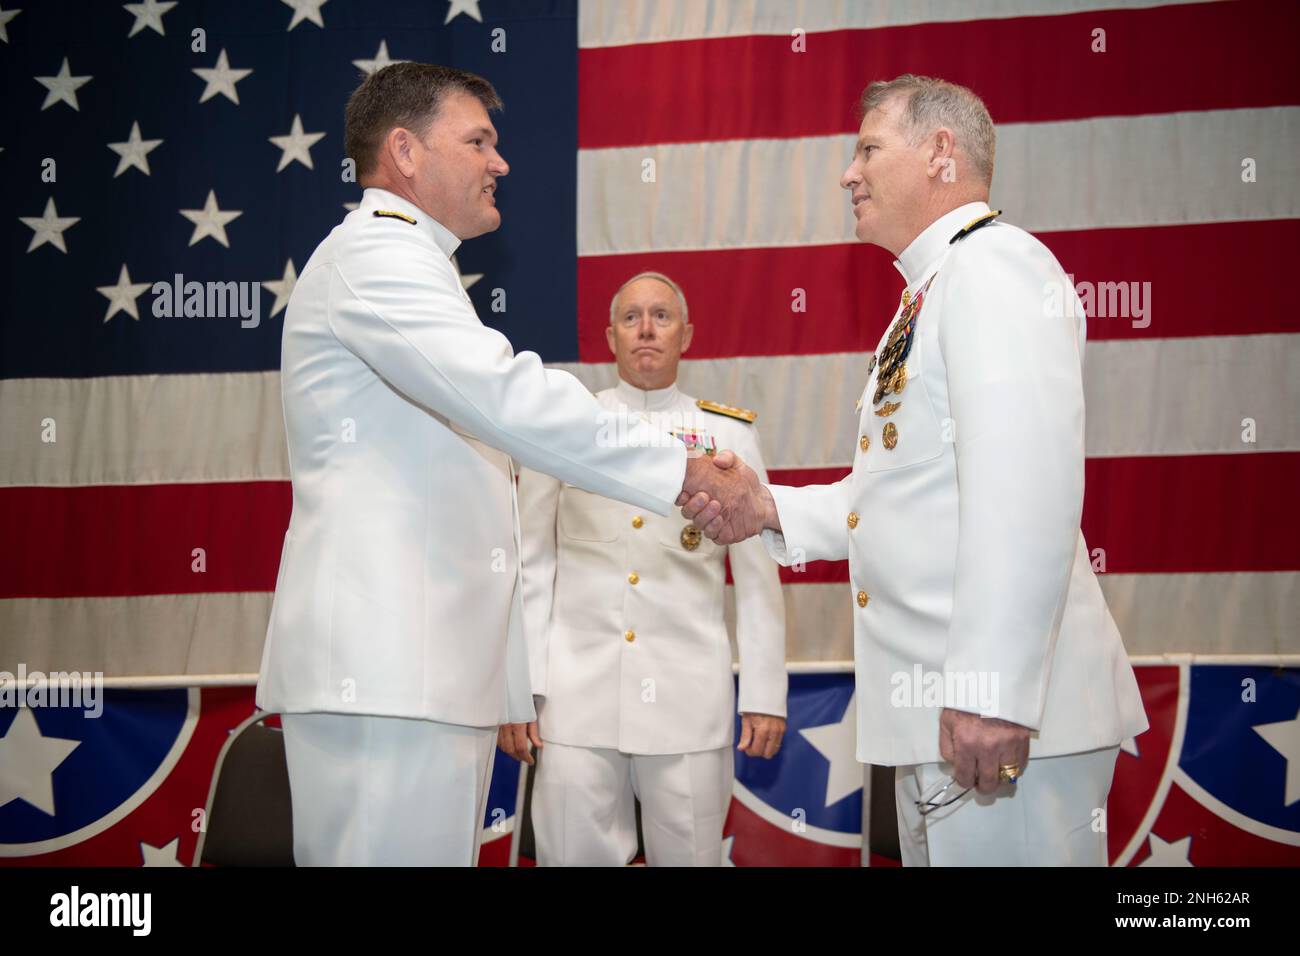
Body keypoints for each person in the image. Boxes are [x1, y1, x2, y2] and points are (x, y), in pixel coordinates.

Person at [255, 63, 747, 866]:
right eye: (478, 140)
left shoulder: (417, 263)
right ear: (406, 152)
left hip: (420, 671)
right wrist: (682, 472)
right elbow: (508, 398)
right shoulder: (377, 256)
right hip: (386, 673)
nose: (500, 161)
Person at [681, 74, 1148, 866]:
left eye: (868, 148)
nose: (847, 172)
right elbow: (902, 497)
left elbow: (1024, 491)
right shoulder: (930, 294)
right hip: (947, 718)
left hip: (1001, 723)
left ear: (941, 154)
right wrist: (769, 510)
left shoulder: (996, 270)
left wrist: (992, 691)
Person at [501, 272, 787, 866]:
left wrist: (765, 693)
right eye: (631, 318)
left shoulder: (727, 436)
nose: (647, 329)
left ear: (687, 334)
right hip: (576, 701)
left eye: (662, 315)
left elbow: (758, 581)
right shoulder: (566, 426)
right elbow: (532, 564)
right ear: (610, 336)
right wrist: (520, 692)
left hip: (688, 705)